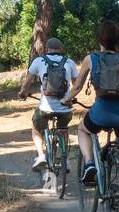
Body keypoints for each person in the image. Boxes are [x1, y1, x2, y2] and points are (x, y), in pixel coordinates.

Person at [61, 20, 119, 186]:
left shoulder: (90, 59)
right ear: (118, 40)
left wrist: (65, 100)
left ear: (100, 40)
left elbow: (77, 87)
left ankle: (89, 164)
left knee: (83, 129)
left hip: (101, 113)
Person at [17, 37, 79, 173]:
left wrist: (23, 93)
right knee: (63, 128)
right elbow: (76, 85)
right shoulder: (69, 62)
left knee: (36, 127)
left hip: (46, 107)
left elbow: (27, 81)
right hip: (65, 108)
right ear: (60, 49)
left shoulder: (39, 61)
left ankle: (41, 156)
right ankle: (65, 159)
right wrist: (71, 98)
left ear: (46, 49)